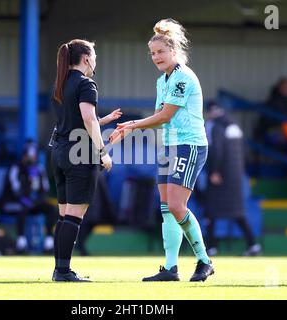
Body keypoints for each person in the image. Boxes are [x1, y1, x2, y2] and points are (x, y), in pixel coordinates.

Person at [113, 18, 214, 282]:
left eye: (160, 52)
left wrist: (133, 125)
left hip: (189, 144)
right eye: (152, 53)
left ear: (174, 51)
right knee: (167, 207)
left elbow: (166, 116)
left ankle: (204, 261)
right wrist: (133, 127)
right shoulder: (163, 80)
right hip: (169, 146)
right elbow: (159, 115)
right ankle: (171, 268)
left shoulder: (183, 77)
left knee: (178, 206)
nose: (156, 57)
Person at [50, 39, 117, 282]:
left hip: (58, 151)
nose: (95, 60)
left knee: (64, 215)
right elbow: (88, 121)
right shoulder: (86, 84)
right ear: (86, 58)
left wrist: (105, 120)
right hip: (79, 153)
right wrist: (103, 152)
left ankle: (59, 268)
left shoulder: (60, 83)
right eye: (94, 56)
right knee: (74, 216)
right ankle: (64, 272)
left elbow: (75, 120)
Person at [203, 101, 262, 257]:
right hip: (236, 176)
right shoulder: (234, 125)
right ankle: (253, 244)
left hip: (220, 176)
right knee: (237, 212)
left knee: (211, 210)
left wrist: (214, 170)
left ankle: (211, 247)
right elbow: (245, 152)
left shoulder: (215, 127)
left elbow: (217, 149)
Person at [0, 140, 58, 253]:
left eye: (33, 156)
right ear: (24, 156)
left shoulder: (39, 169)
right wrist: (26, 194)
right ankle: (21, 241)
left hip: (33, 203)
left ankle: (49, 241)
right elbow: (14, 189)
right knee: (22, 208)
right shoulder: (16, 168)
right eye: (28, 156)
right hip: (13, 202)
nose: (31, 159)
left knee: (51, 209)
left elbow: (45, 189)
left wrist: (36, 201)